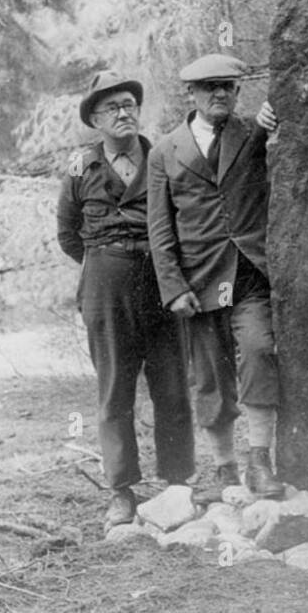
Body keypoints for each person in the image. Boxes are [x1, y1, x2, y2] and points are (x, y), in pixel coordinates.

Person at [57, 71, 195, 532]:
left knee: (172, 383)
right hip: (105, 282)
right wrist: (107, 263)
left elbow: (180, 218)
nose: (123, 113)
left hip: (160, 279)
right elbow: (67, 234)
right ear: (95, 119)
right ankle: (121, 490)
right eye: (112, 107)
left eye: (129, 105)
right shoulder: (82, 165)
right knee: (115, 388)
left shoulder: (162, 156)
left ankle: (178, 482)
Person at [147, 53, 283, 499]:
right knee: (209, 378)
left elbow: (275, 146)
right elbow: (160, 226)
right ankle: (225, 469)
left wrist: (270, 124)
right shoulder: (165, 150)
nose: (219, 94)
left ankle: (259, 461)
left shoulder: (251, 133)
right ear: (192, 94)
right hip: (198, 281)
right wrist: (172, 288)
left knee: (260, 353)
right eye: (209, 88)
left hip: (248, 272)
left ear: (238, 91)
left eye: (227, 86)